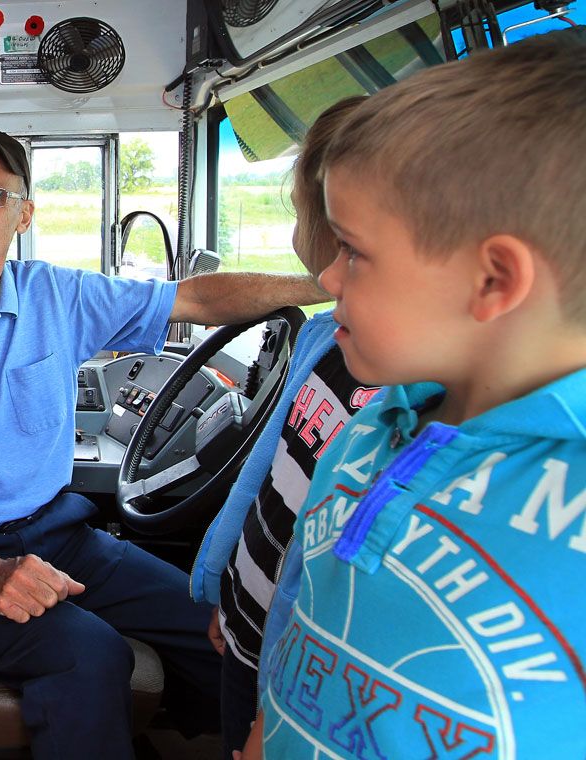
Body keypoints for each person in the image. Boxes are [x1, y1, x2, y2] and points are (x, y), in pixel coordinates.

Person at [0, 124, 326, 758]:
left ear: (23, 213)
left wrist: (326, 286)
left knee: (220, 621)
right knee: (90, 655)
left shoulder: (57, 295)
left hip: (61, 534)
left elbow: (194, 297)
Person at [246, 27, 586, 759]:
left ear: (493, 282)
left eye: (355, 253)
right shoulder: (373, 427)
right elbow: (306, 603)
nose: (328, 280)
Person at [187, 96, 378, 760]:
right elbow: (269, 484)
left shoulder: (408, 398)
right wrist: (226, 589)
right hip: (249, 622)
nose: (323, 275)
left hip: (299, 669)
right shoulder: (326, 341)